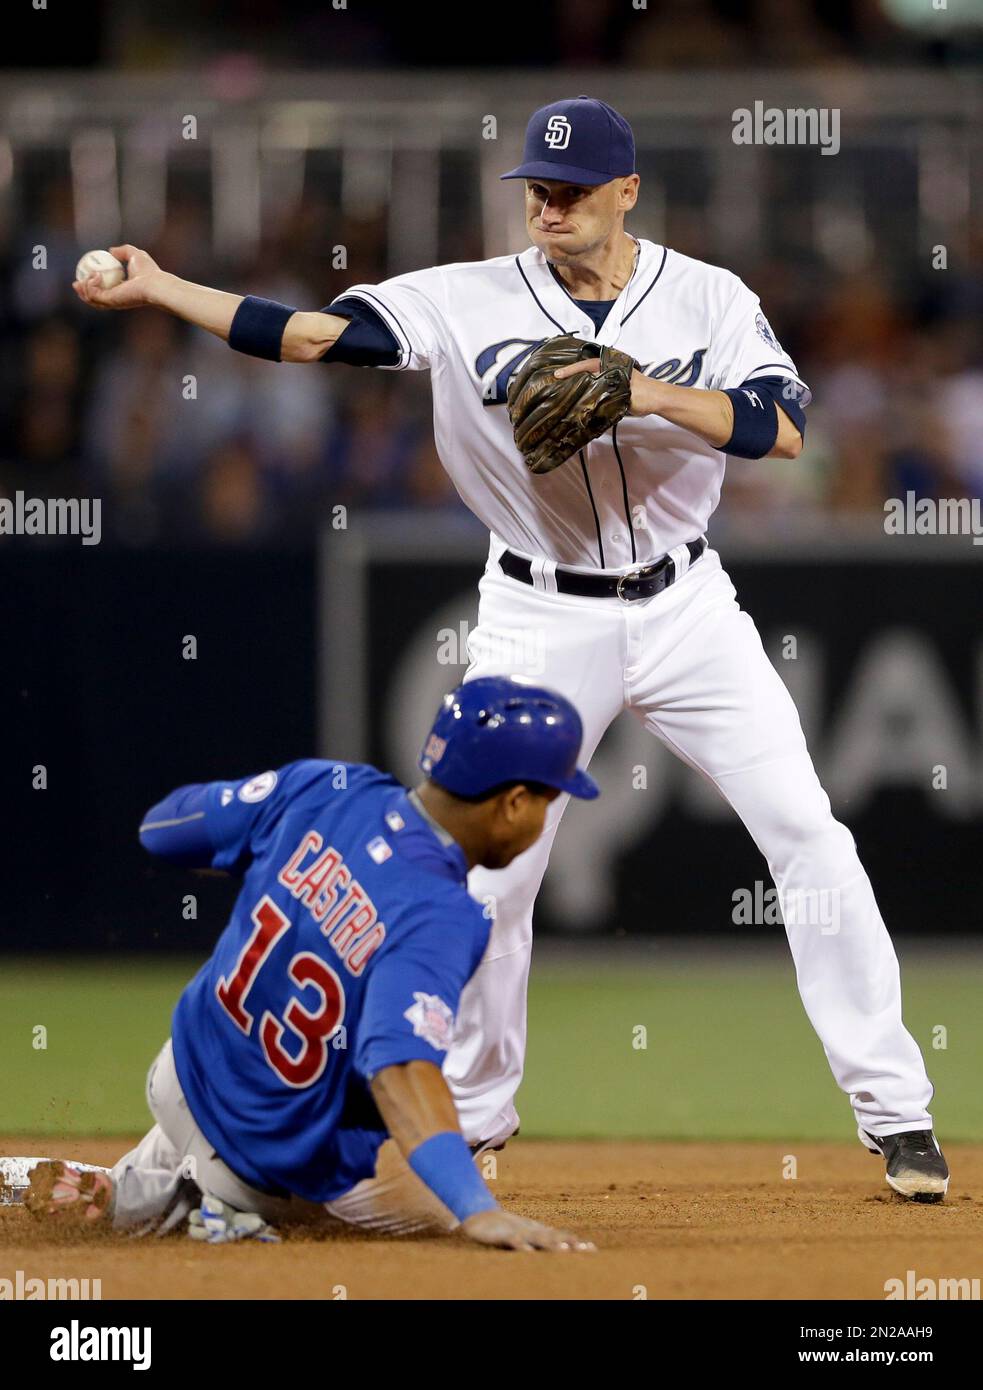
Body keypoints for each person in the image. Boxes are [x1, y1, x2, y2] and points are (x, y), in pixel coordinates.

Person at [72, 96, 948, 1202]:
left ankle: (895, 1112)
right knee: (495, 874)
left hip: (686, 607)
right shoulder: (461, 296)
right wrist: (159, 287)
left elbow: (780, 428)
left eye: (573, 186)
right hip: (539, 614)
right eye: (537, 183)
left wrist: (640, 391)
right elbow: (304, 336)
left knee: (808, 834)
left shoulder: (709, 297)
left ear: (628, 190)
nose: (549, 201)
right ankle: (479, 1125)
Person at [27, 677, 599, 1248]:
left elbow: (162, 831)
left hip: (181, 1076)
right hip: (263, 1156)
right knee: (433, 1207)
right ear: (514, 802)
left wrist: (276, 861)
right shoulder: (442, 913)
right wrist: (475, 1208)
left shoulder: (327, 787)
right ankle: (209, 1204)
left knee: (124, 1191)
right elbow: (399, 1067)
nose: (548, 815)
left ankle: (110, 1189)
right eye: (549, 799)